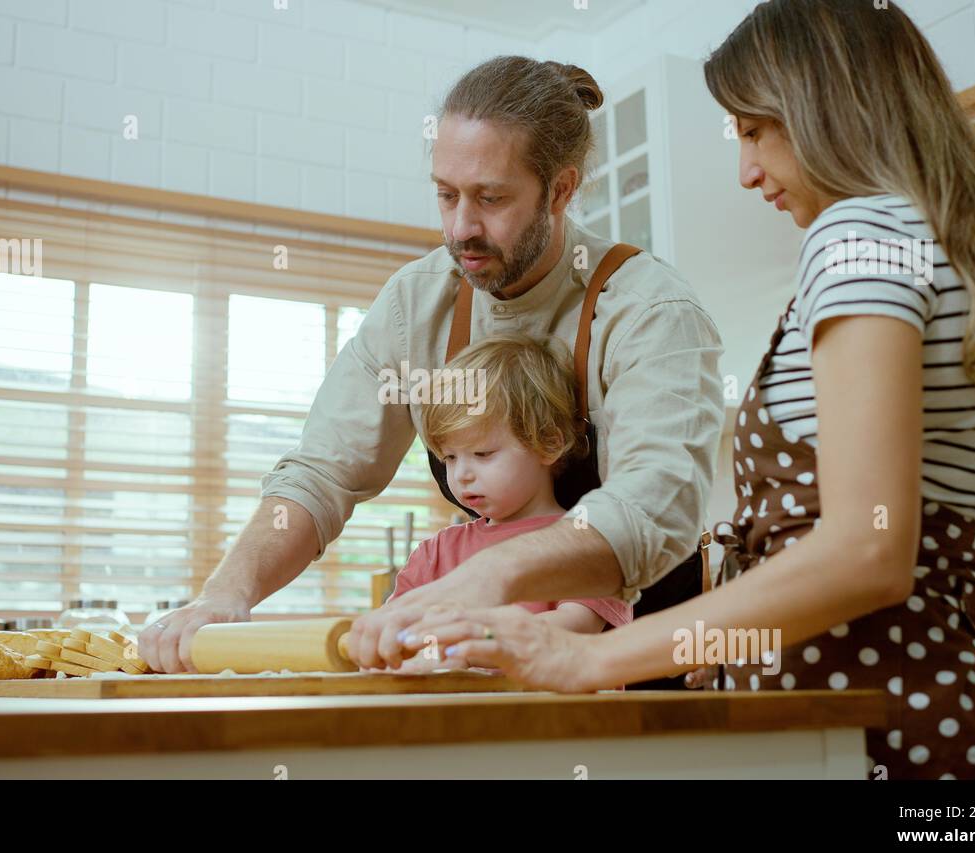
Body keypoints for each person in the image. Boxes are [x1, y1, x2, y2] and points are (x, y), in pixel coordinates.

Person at [400, 0, 975, 779]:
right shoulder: (974, 269)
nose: (746, 169)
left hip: (868, 730)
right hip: (970, 725)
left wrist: (595, 657)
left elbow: (867, 552)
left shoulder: (858, 240)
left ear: (830, 110)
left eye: (756, 130)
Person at [140, 56, 724, 679]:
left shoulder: (647, 308)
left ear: (560, 189)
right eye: (446, 195)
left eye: (491, 198)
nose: (460, 228)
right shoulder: (416, 304)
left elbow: (655, 507)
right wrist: (227, 594)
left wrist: (483, 579)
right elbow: (320, 474)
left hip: (643, 673)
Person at [384, 333, 631, 674]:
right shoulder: (435, 553)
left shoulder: (587, 543)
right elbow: (396, 634)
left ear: (548, 442)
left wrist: (475, 641)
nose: (462, 475)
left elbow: (577, 626)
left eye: (482, 454)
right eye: (450, 457)